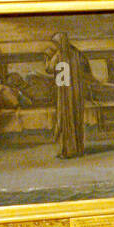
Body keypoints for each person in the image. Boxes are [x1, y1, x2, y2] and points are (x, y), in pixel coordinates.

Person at [46, 31, 88, 159]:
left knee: (65, 119)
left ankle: (68, 150)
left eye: (56, 43)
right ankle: (78, 148)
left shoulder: (59, 55)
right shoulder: (77, 54)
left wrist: (47, 58)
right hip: (76, 92)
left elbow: (49, 69)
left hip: (64, 93)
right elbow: (85, 68)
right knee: (75, 119)